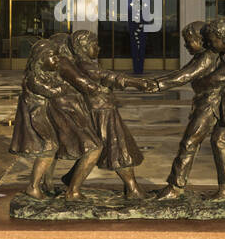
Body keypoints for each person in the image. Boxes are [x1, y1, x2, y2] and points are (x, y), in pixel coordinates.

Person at [149, 18, 225, 199]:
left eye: (212, 40)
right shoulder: (223, 53)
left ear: (222, 39)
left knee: (214, 141)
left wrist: (191, 83)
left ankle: (220, 190)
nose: (210, 44)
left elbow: (210, 79)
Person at [66, 30, 148, 198]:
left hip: (103, 109)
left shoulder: (85, 64)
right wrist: (136, 82)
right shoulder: (85, 66)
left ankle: (72, 182)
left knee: (111, 148)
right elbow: (107, 76)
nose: (99, 47)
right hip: (102, 112)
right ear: (83, 47)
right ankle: (132, 189)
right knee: (118, 148)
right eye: (94, 44)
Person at [42, 33, 103, 199]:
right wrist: (99, 88)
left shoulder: (58, 65)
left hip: (62, 107)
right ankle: (73, 191)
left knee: (54, 147)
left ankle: (46, 184)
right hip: (67, 109)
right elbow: (85, 84)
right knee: (94, 148)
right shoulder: (63, 63)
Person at [9, 39, 65, 198]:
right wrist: (64, 87)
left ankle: (47, 184)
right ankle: (33, 186)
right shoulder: (33, 78)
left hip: (44, 114)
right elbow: (51, 91)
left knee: (53, 148)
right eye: (53, 57)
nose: (57, 60)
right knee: (49, 148)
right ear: (41, 58)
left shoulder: (44, 75)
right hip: (36, 117)